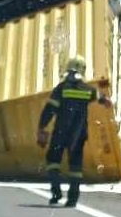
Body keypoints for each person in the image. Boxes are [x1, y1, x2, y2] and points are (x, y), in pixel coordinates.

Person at [36, 55, 112, 206]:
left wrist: (42, 127)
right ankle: (72, 199)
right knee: (75, 166)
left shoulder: (61, 88)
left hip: (60, 132)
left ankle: (56, 192)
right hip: (78, 134)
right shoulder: (87, 89)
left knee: (53, 160)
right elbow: (101, 97)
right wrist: (106, 101)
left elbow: (50, 109)